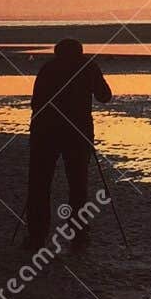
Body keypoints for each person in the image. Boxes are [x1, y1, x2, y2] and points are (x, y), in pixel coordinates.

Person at [26, 37, 111, 255]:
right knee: (78, 185)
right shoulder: (88, 66)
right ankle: (79, 234)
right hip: (77, 134)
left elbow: (36, 103)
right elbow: (105, 96)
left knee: (39, 185)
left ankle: (36, 235)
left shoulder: (48, 68)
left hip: (45, 133)